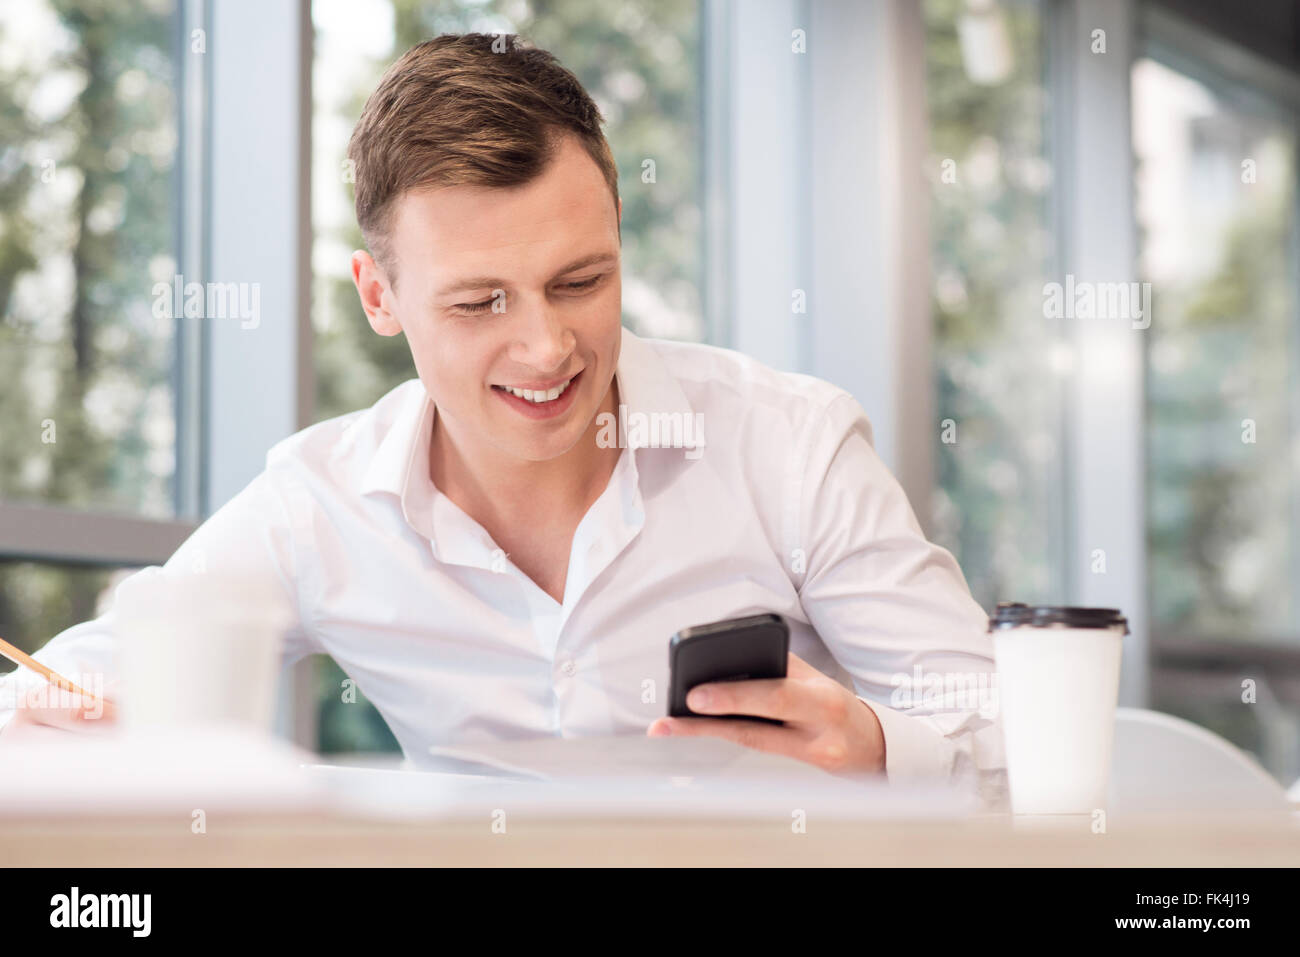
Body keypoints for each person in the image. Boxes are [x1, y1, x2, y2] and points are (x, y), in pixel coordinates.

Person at [0, 33, 1003, 792]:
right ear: (379, 297)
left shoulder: (789, 447)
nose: (545, 347)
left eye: (580, 281)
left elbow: (1010, 735)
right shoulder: (322, 502)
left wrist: (878, 746)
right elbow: (69, 688)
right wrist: (81, 721)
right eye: (480, 302)